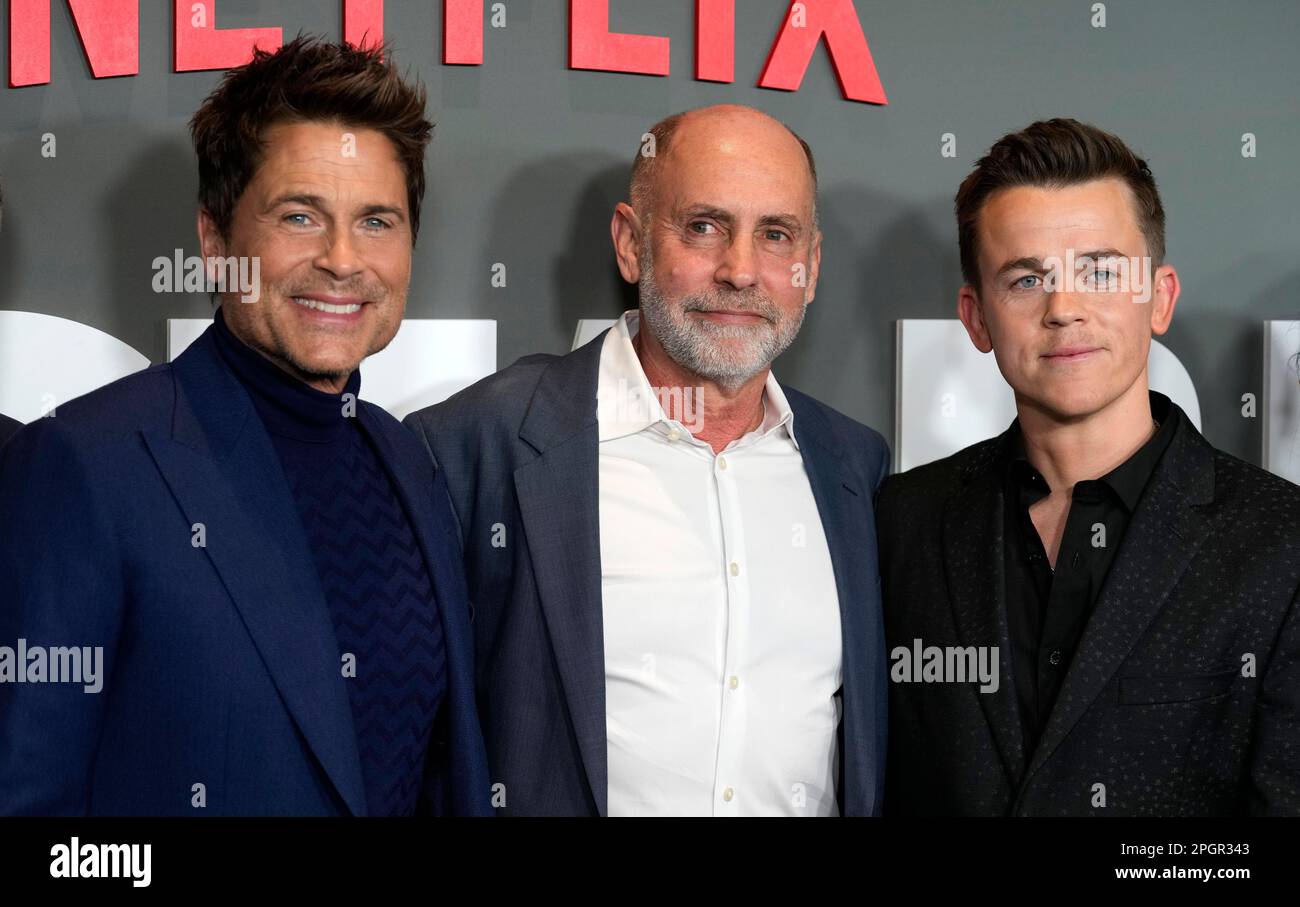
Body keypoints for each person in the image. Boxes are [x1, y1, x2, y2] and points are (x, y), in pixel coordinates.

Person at [0, 36, 491, 816]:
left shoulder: (410, 461)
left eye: (376, 221)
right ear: (215, 240)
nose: (341, 259)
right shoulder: (83, 466)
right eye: (300, 216)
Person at [405, 104, 890, 816]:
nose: (741, 271)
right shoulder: (478, 443)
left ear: (810, 268)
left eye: (775, 235)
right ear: (631, 243)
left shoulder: (855, 466)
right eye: (704, 227)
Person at [877, 118, 1300, 815]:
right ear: (976, 318)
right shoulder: (902, 522)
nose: (1064, 309)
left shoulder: (1281, 544)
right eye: (1025, 278)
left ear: (1159, 298)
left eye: (1101, 272)